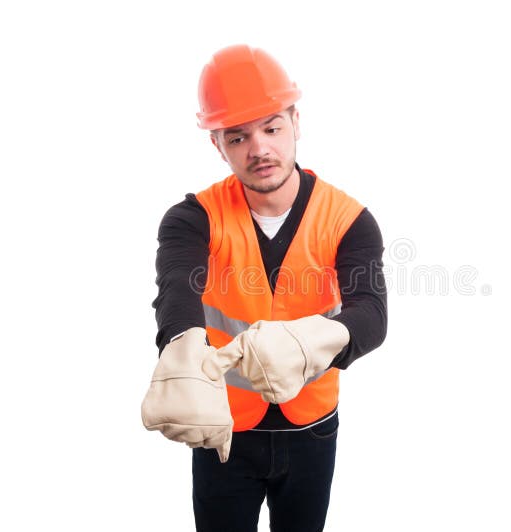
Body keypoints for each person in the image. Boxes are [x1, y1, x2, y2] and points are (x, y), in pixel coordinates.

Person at [140, 44, 388, 532]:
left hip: (313, 430)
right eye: (238, 136)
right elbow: (176, 289)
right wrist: (181, 343)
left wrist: (307, 342)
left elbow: (371, 314)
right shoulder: (192, 220)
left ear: (296, 121)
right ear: (218, 144)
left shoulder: (349, 220)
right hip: (223, 431)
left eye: (272, 127)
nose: (259, 149)